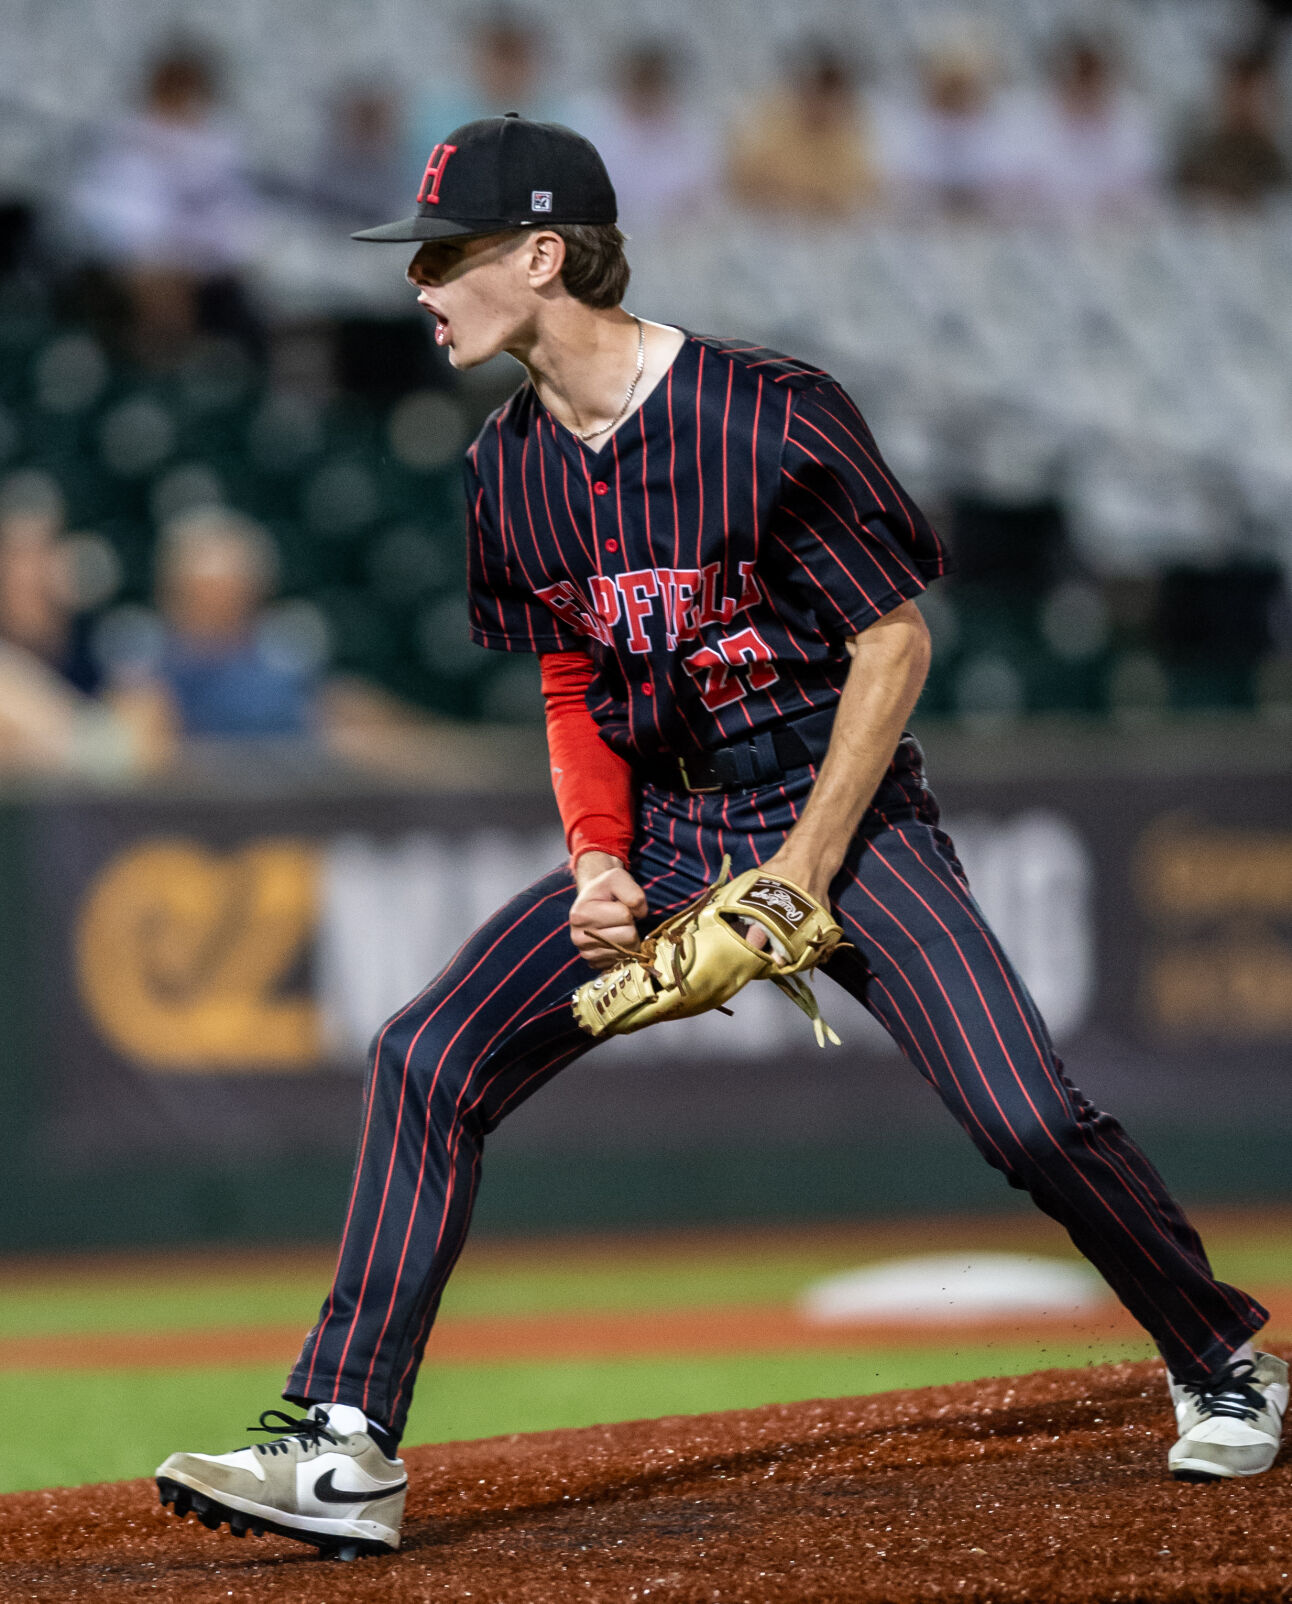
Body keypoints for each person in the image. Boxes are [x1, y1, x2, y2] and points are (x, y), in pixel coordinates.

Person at [156, 114, 1286, 1561]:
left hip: (844, 812)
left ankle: (1221, 1358)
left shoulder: (768, 409)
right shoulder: (506, 467)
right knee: (426, 1055)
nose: (418, 285)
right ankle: (344, 1443)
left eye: (445, 254)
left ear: (544, 255)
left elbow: (892, 644)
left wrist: (805, 871)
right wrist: (596, 858)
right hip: (677, 820)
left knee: (1027, 1118)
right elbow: (574, 677)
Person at [727, 41, 879, 218]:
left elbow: (854, 194)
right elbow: (745, 184)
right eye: (816, 91)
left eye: (830, 95)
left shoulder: (850, 138)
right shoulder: (771, 125)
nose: (822, 103)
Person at [1172, 49, 1290, 212]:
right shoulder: (1203, 157)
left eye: (1257, 97)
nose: (1247, 107)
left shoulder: (1279, 167)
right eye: (1239, 95)